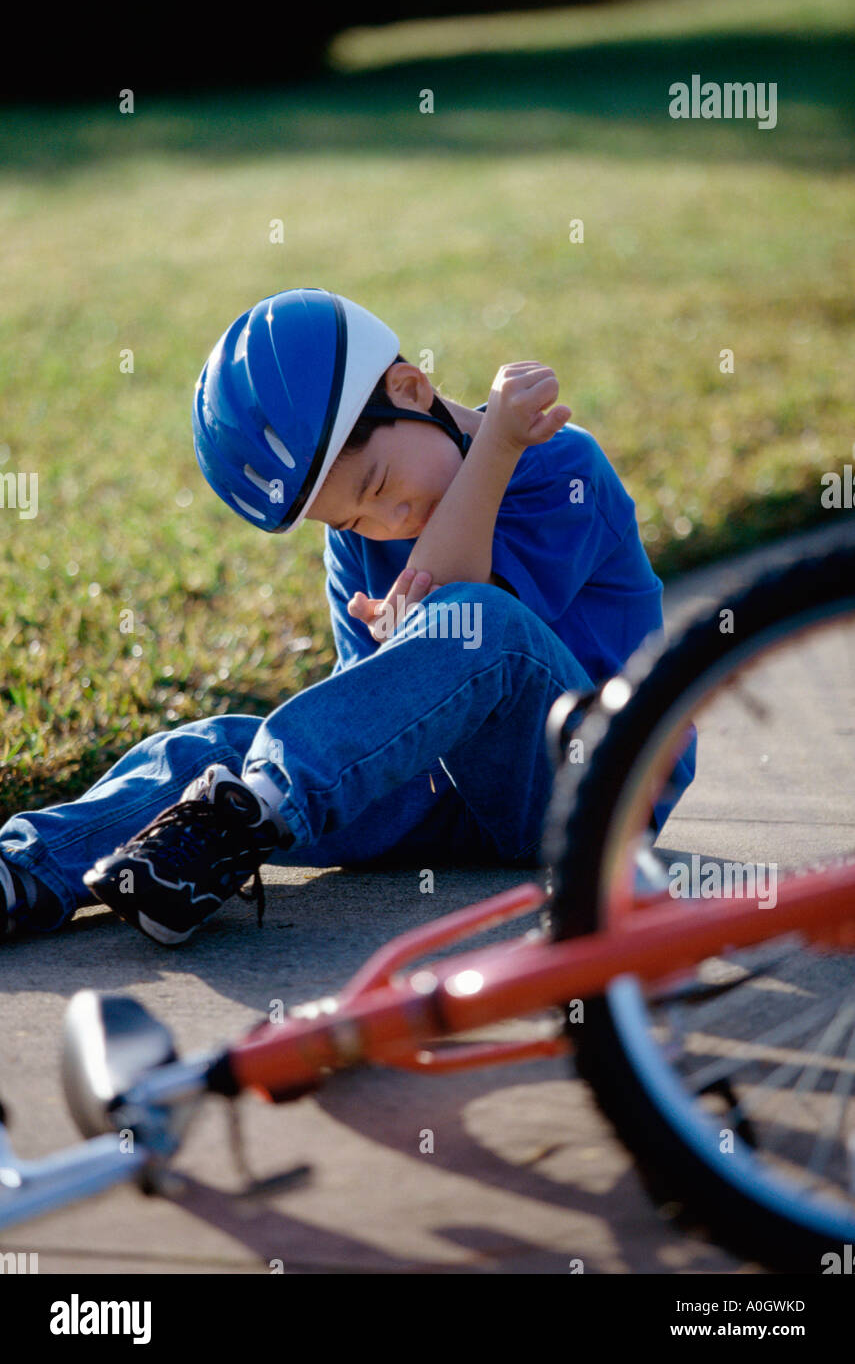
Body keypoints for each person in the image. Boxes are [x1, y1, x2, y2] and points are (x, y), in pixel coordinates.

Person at [0, 287, 695, 946]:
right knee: (215, 749)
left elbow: (473, 622)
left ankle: (244, 815)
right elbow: (358, 721)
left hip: (594, 784)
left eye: (380, 487)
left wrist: (497, 445)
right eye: (353, 516)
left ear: (411, 390)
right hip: (442, 803)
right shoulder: (358, 536)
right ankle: (25, 872)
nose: (384, 523)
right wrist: (387, 659)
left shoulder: (556, 466)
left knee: (472, 620)